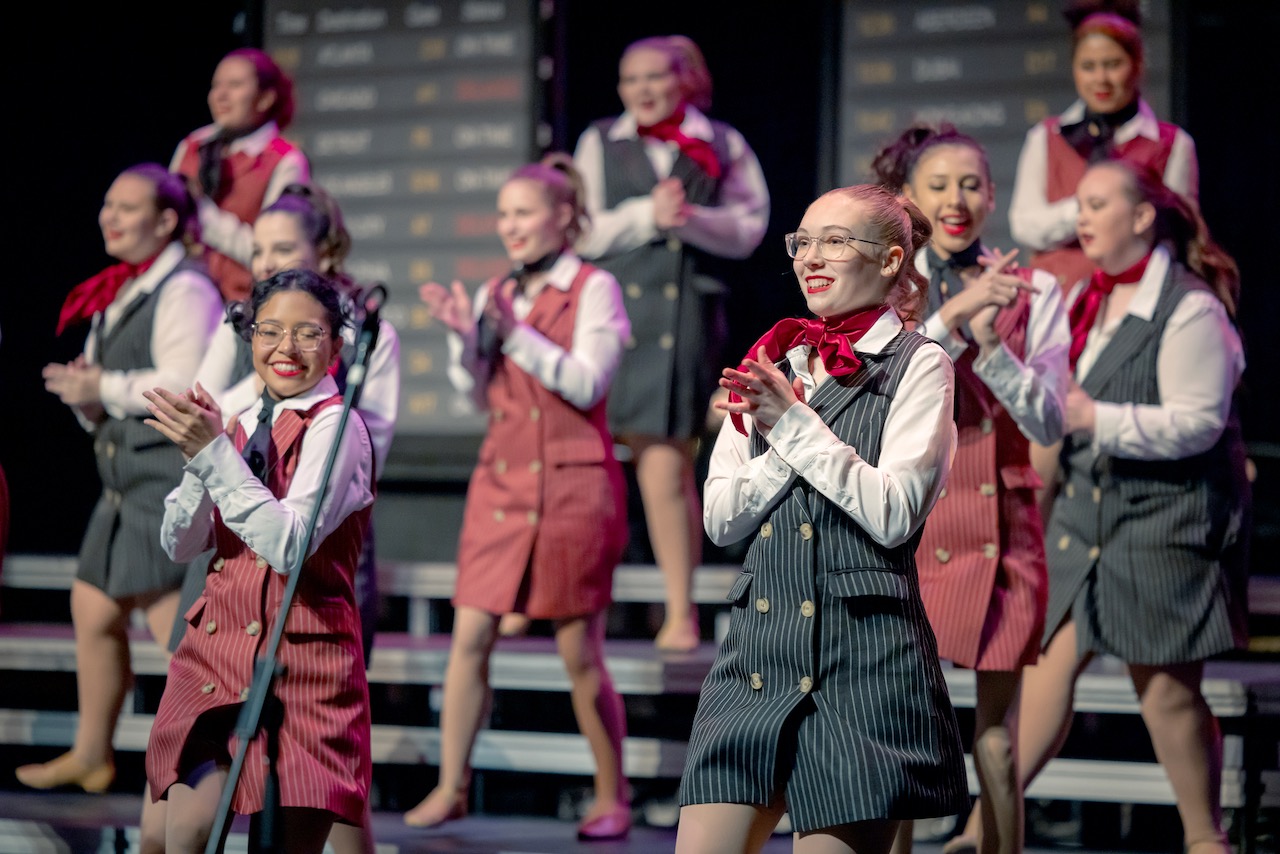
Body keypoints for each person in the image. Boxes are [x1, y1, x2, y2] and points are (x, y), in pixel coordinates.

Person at [676, 184, 968, 854]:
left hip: (862, 663)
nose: (813, 255)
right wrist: (785, 435)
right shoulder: (773, 364)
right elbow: (721, 520)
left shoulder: (921, 366)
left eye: (834, 240)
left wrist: (796, 426)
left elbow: (893, 513)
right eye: (803, 241)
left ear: (891, 259)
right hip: (759, 655)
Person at [1005, 160, 1248, 854]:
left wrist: (1095, 418)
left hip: (1163, 518)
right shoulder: (1086, 297)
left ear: (1143, 216)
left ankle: (1206, 838)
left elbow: (1199, 421)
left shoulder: (1190, 305)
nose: (1081, 217)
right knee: (1044, 672)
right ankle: (982, 827)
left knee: (1167, 694)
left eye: (1098, 203)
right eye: (1078, 204)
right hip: (1085, 518)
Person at [402, 154, 632, 840]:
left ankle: (611, 793)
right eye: (503, 215)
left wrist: (513, 335)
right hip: (501, 480)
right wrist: (462, 343)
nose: (511, 227)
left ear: (564, 216)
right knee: (469, 636)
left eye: (523, 213)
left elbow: (587, 384)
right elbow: (477, 396)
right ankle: (451, 787)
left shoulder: (596, 288)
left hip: (572, 483)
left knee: (578, 651)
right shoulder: (496, 293)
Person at [872, 125, 1071, 854]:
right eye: (939, 186)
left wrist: (993, 345)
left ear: (992, 195)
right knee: (896, 723)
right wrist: (956, 317)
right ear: (910, 199)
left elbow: (1049, 418)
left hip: (1001, 522)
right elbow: (883, 391)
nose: (956, 201)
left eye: (971, 185)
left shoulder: (1036, 288)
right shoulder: (886, 279)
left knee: (997, 737)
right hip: (909, 515)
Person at [138, 269, 375, 854]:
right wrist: (202, 457)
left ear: (337, 347)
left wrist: (215, 452)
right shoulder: (239, 422)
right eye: (269, 331)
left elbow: (289, 545)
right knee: (184, 835)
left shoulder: (338, 428)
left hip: (301, 664)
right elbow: (179, 543)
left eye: (307, 334)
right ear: (250, 340)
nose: (285, 349)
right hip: (215, 656)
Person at [20, 164, 222, 793]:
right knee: (93, 606)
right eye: (107, 204)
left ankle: (203, 770)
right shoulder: (125, 291)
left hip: (162, 478)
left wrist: (101, 386)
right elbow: (114, 392)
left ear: (166, 221)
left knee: (175, 630)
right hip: (120, 478)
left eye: (126, 207)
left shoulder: (185, 289)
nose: (109, 216)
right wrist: (89, 401)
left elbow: (183, 383)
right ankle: (92, 752)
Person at [573, 34, 770, 651]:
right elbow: (580, 230)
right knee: (591, 465)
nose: (642, 90)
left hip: (683, 315)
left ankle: (680, 609)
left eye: (655, 77)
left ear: (686, 78)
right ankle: (563, 601)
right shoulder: (600, 141)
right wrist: (644, 217)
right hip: (616, 313)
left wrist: (689, 220)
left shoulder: (722, 142)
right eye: (630, 80)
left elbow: (749, 228)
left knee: (666, 460)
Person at [175, 182, 401, 666]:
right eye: (258, 250)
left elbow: (372, 438)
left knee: (314, 680)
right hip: (235, 522)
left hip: (321, 521)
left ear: (325, 252)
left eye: (283, 248)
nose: (266, 262)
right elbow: (207, 402)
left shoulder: (363, 330)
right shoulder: (238, 322)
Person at [1009, 2, 1197, 291]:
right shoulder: (1046, 137)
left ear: (1137, 64)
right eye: (1088, 66)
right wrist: (1095, 209)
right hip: (1055, 303)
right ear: (1074, 69)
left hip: (1136, 301)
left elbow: (1176, 238)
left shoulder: (1171, 145)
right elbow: (1024, 226)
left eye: (1112, 65)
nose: (1101, 79)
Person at [171, 47, 309, 303]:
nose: (220, 95)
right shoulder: (191, 145)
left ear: (265, 98)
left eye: (234, 85)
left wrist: (202, 213)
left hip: (241, 305)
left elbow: (273, 252)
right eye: (216, 86)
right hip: (180, 294)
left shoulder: (285, 160)